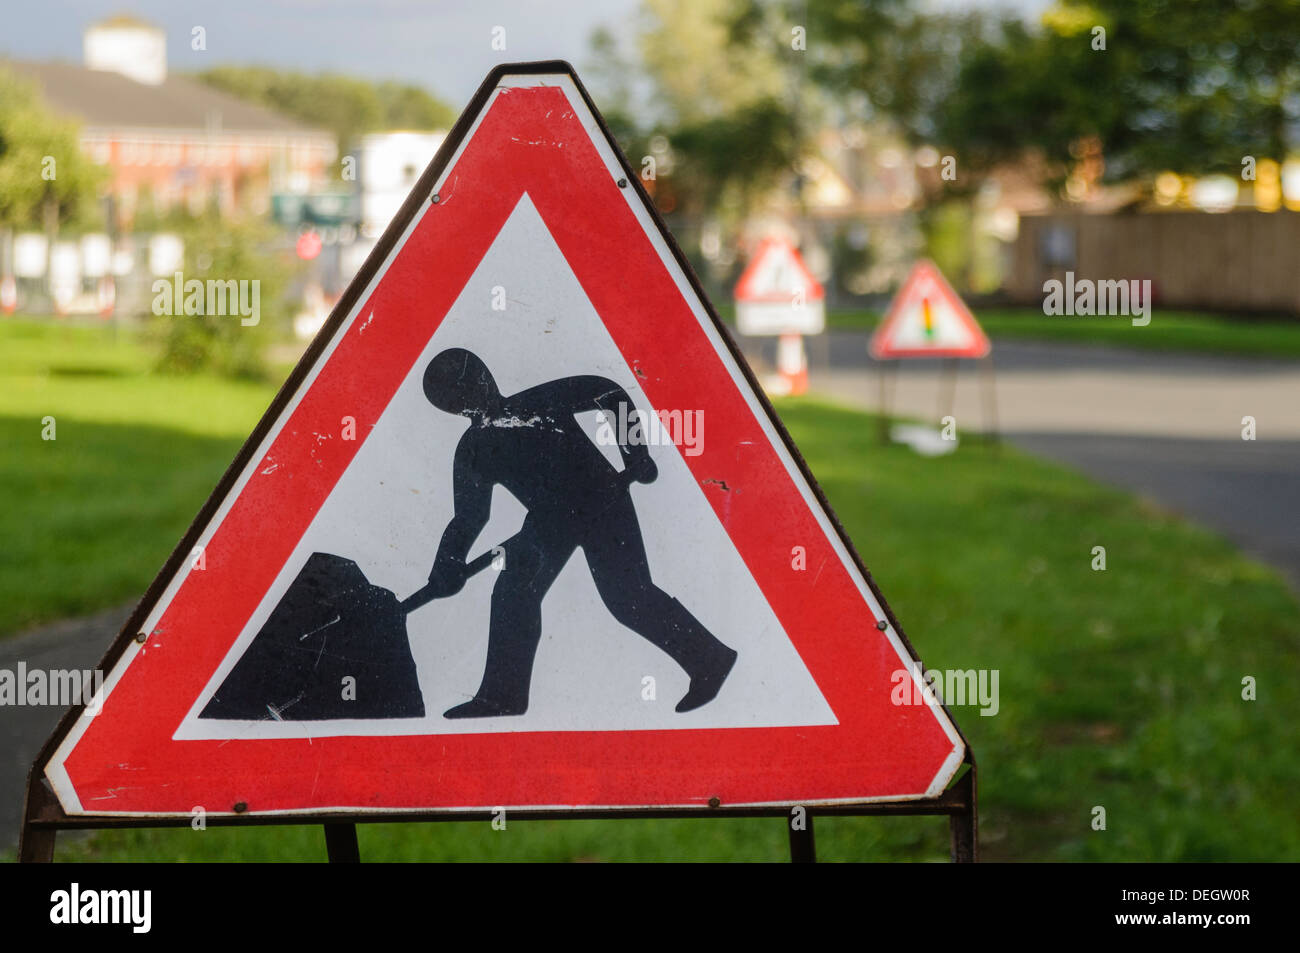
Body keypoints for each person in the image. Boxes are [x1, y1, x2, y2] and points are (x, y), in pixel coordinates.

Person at [421, 348, 737, 718]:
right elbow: (469, 518)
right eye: (455, 396)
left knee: (627, 596)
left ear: (484, 376)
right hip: (548, 520)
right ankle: (502, 696)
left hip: (602, 499)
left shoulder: (538, 403)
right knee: (513, 593)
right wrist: (447, 564)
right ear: (450, 407)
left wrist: (634, 453)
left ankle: (709, 659)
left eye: (469, 383)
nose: (469, 396)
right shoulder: (473, 449)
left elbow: (608, 391)